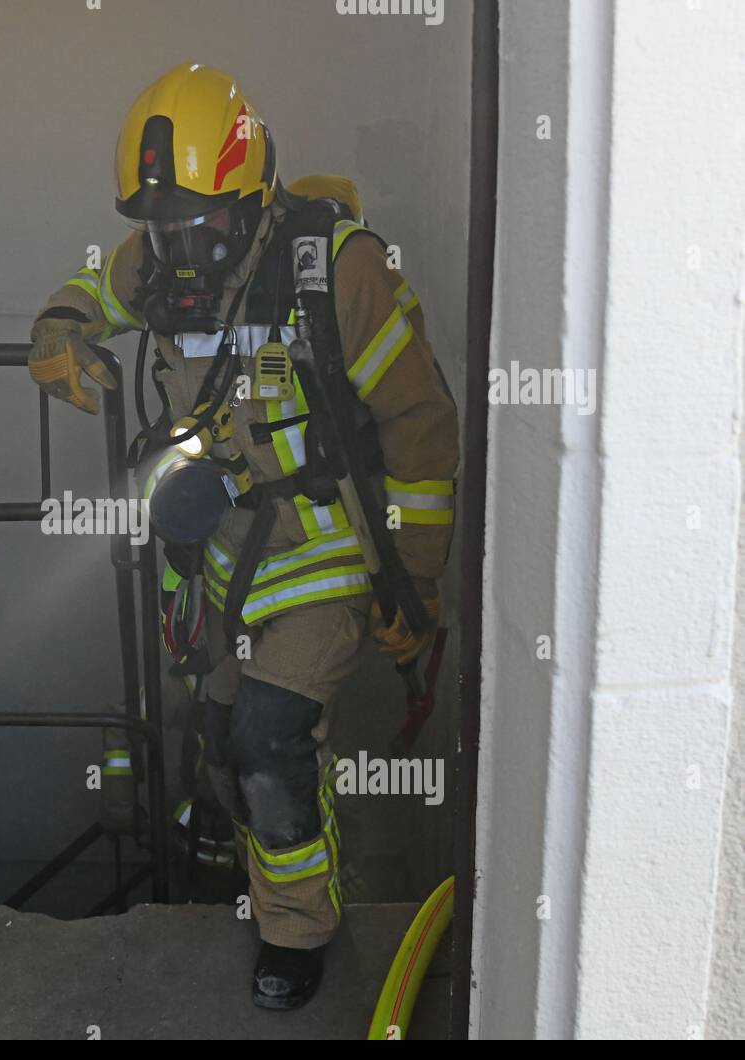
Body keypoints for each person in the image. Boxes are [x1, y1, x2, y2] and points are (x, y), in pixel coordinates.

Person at [27, 62, 458, 1010]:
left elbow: (423, 428)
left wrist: (416, 583)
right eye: (162, 226)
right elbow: (97, 282)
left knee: (269, 733)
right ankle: (260, 856)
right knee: (221, 731)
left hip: (325, 549)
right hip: (221, 559)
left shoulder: (340, 270)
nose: (180, 249)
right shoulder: (165, 249)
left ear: (254, 199)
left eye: (200, 225)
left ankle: (300, 929)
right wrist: (59, 324)